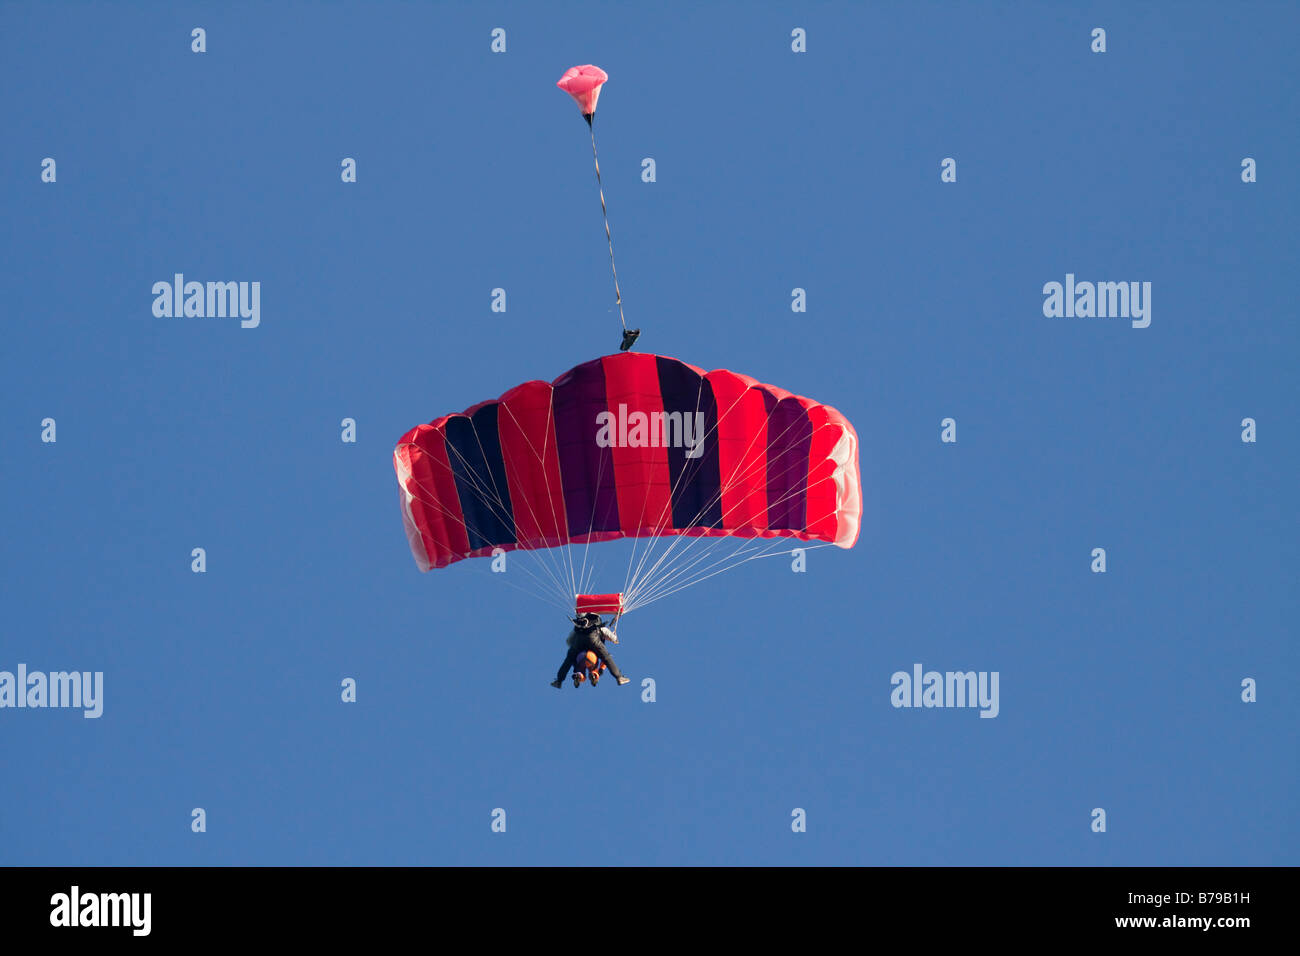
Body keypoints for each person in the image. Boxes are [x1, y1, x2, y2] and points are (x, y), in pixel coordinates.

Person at [551, 613, 630, 688]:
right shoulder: (601, 628)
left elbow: (568, 641)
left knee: (569, 661)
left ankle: (559, 681)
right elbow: (613, 639)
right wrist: (615, 638)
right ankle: (618, 677)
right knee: (606, 657)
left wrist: (575, 649)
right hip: (592, 646)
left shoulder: (577, 629)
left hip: (579, 647)